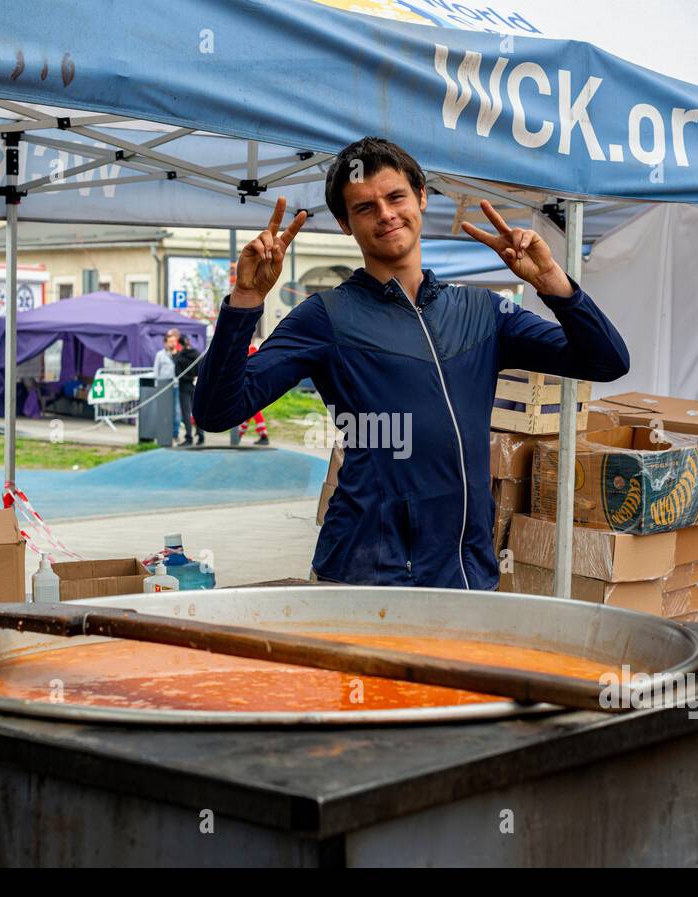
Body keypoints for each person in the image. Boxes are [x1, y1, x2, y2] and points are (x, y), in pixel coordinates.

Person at [194, 136, 629, 590]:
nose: (385, 214)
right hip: (367, 576)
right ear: (345, 224)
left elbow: (608, 360)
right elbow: (217, 412)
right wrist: (246, 300)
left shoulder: (483, 312)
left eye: (396, 196)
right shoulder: (326, 317)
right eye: (364, 207)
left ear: (421, 197)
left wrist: (552, 282)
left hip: (469, 572)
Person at [172, 333, 204, 446]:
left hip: (185, 387)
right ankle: (201, 436)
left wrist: (189, 378)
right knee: (197, 411)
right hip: (196, 386)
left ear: (180, 344)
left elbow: (178, 374)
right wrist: (195, 378)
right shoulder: (197, 355)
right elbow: (202, 369)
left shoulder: (179, 357)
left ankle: (189, 437)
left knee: (186, 413)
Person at [236, 342, 271, 445]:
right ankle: (239, 434)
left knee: (253, 410)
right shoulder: (250, 350)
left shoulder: (251, 350)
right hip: (253, 385)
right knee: (249, 411)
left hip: (254, 385)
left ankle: (263, 435)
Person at [153, 329, 181, 444]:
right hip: (163, 386)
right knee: (162, 411)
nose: (172, 344)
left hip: (176, 386)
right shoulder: (160, 355)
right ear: (166, 342)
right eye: (170, 341)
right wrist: (156, 386)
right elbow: (156, 371)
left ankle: (175, 434)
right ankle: (161, 434)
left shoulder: (180, 354)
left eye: (174, 341)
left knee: (176, 411)